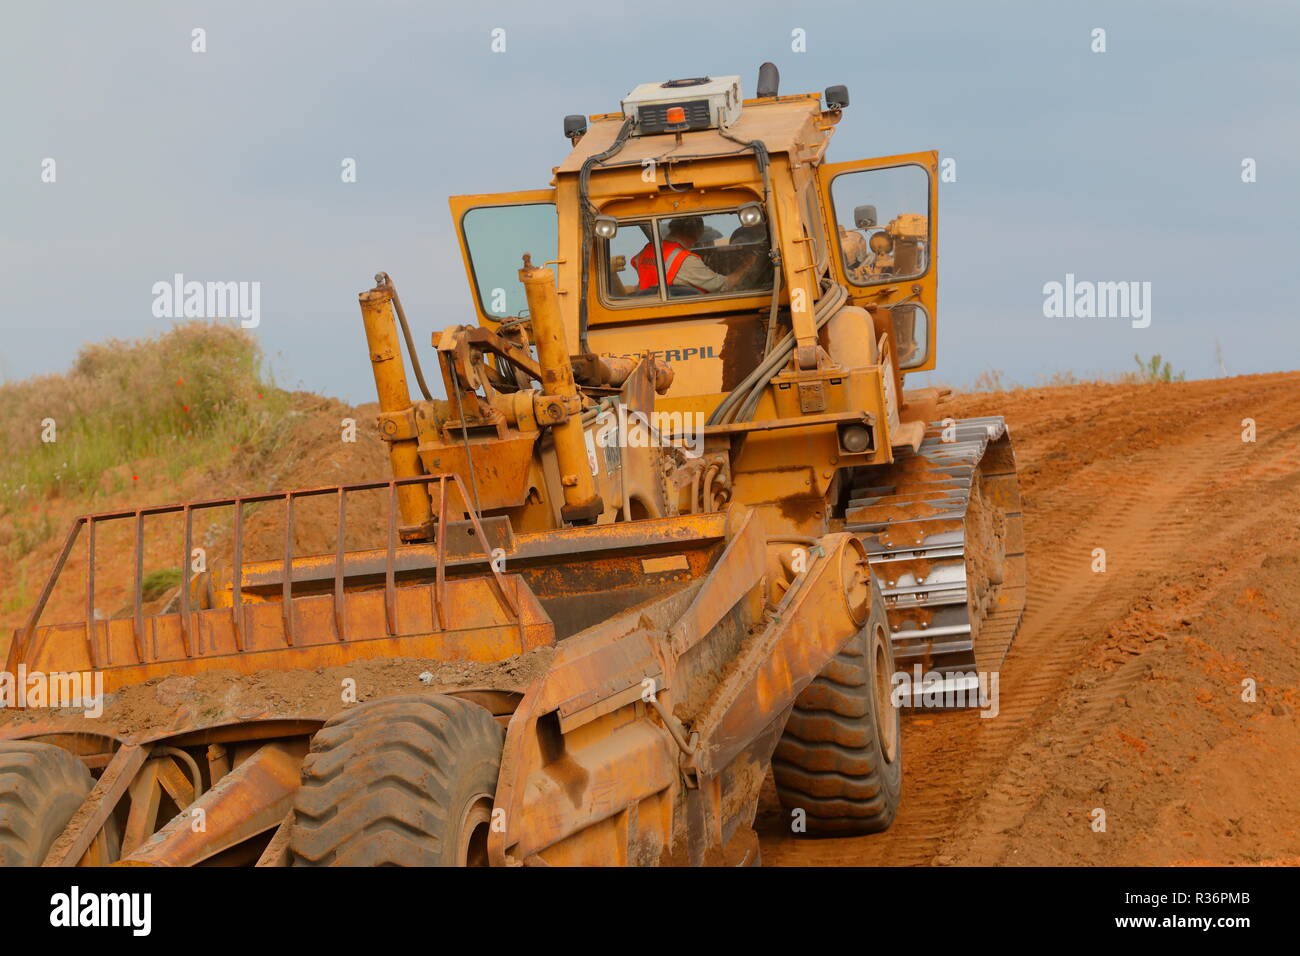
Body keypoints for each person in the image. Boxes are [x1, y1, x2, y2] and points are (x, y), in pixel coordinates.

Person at [629, 216, 753, 295]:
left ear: (671, 228)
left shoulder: (648, 249)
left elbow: (636, 262)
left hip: (648, 303)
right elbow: (724, 285)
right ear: (698, 234)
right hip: (677, 309)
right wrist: (746, 265)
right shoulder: (686, 260)